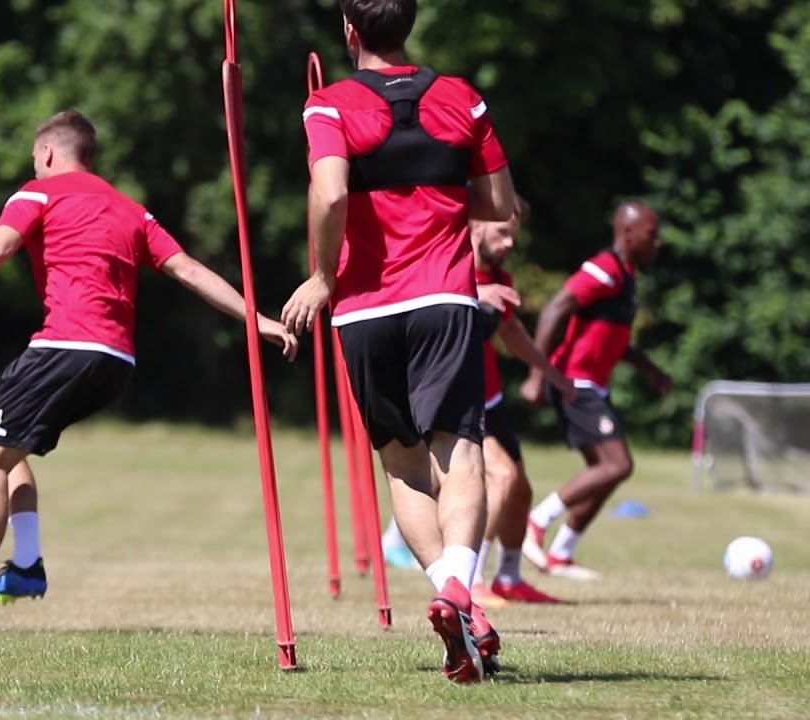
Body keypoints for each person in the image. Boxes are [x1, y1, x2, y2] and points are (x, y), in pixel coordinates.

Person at [0, 110, 298, 629]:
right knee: (7, 449)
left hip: (65, 345)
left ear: (46, 153)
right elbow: (188, 269)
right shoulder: (132, 210)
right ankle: (25, 566)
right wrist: (258, 320)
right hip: (115, 362)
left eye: (35, 157)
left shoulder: (37, 193)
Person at [282, 0, 517, 683]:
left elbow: (329, 195)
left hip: (364, 309)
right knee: (460, 450)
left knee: (404, 464)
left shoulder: (327, 105)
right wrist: (440, 196)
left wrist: (323, 276)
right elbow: (499, 202)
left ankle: (450, 592)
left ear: (350, 31)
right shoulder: (461, 97)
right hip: (444, 298)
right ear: (408, 26)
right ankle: (461, 593)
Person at [519, 200, 670, 580]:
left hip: (592, 386)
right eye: (652, 235)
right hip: (573, 382)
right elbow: (554, 309)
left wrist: (649, 369)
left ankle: (560, 554)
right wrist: (539, 375)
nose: (658, 242)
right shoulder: (603, 269)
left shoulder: (627, 277)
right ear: (627, 232)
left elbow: (614, 339)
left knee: (607, 472)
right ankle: (535, 522)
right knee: (618, 464)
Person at [466, 197, 577, 607]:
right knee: (502, 477)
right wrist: (477, 292)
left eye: (514, 233)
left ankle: (509, 578)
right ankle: (471, 581)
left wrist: (552, 375)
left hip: (491, 398)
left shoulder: (499, 276)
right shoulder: (450, 267)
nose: (510, 241)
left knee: (522, 490)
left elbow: (512, 336)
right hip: (460, 397)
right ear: (475, 226)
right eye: (502, 231)